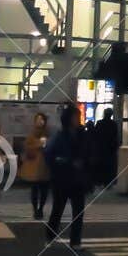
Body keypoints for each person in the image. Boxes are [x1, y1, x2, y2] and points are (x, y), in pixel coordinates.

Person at [44, 105, 89, 248]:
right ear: (68, 118)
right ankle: (50, 236)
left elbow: (88, 152)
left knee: (78, 211)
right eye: (75, 116)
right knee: (58, 208)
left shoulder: (82, 134)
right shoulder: (60, 135)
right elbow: (50, 155)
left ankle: (75, 241)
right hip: (62, 177)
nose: (77, 119)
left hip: (78, 178)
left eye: (78, 116)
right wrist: (65, 161)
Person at [19, 110, 50, 219]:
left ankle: (40, 208)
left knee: (44, 189)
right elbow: (26, 147)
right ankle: (35, 209)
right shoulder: (32, 133)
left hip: (45, 165)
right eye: (38, 120)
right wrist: (38, 145)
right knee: (35, 189)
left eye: (42, 120)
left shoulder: (48, 133)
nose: (40, 122)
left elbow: (50, 146)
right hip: (34, 165)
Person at [91, 107, 120, 188]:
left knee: (101, 166)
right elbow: (115, 137)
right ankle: (108, 182)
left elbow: (96, 135)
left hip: (101, 149)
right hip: (110, 149)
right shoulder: (113, 124)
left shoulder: (100, 123)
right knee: (109, 167)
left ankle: (100, 181)